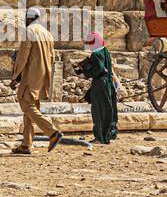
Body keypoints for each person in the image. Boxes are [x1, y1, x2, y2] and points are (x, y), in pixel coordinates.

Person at [10, 9, 63, 154]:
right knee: (31, 110)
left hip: (31, 76)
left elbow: (22, 57)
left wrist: (15, 76)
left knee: (26, 104)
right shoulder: (48, 34)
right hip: (44, 77)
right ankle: (26, 144)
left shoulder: (29, 32)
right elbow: (52, 58)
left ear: (28, 19)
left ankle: (52, 132)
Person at [73, 31, 118, 145]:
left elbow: (98, 70)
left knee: (98, 111)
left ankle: (99, 137)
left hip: (100, 85)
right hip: (108, 83)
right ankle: (107, 135)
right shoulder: (105, 51)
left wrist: (84, 70)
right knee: (108, 109)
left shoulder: (95, 54)